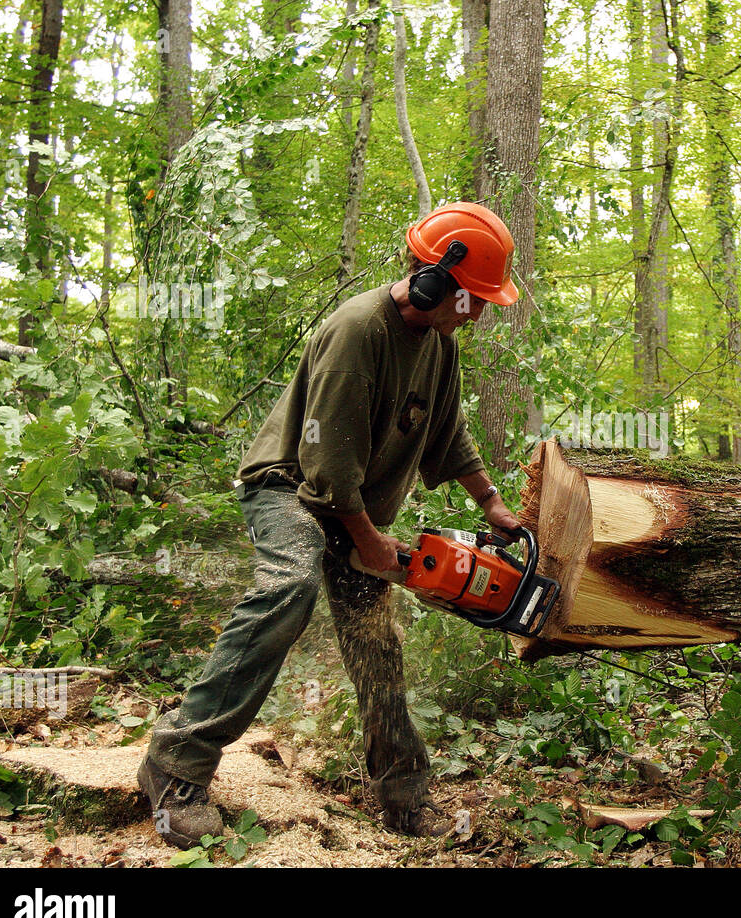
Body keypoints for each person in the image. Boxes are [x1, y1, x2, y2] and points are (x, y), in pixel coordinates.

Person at [138, 201, 524, 847]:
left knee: (378, 642)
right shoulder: (359, 330)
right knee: (289, 587)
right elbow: (328, 460)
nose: (480, 313)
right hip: (288, 489)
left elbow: (447, 435)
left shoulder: (438, 346)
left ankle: (404, 798)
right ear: (436, 279)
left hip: (349, 511)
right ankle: (175, 762)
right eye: (475, 299)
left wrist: (491, 504)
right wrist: (371, 544)